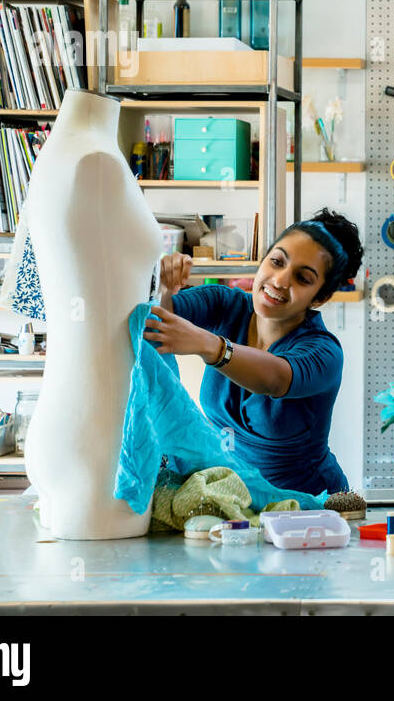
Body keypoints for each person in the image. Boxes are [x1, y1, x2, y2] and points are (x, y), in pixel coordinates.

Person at [142, 208, 363, 497]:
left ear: (319, 298)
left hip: (308, 511)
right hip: (237, 503)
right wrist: (164, 286)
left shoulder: (323, 352)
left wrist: (210, 345)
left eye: (303, 278)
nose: (280, 280)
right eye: (277, 261)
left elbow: (274, 378)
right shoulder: (226, 304)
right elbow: (154, 321)